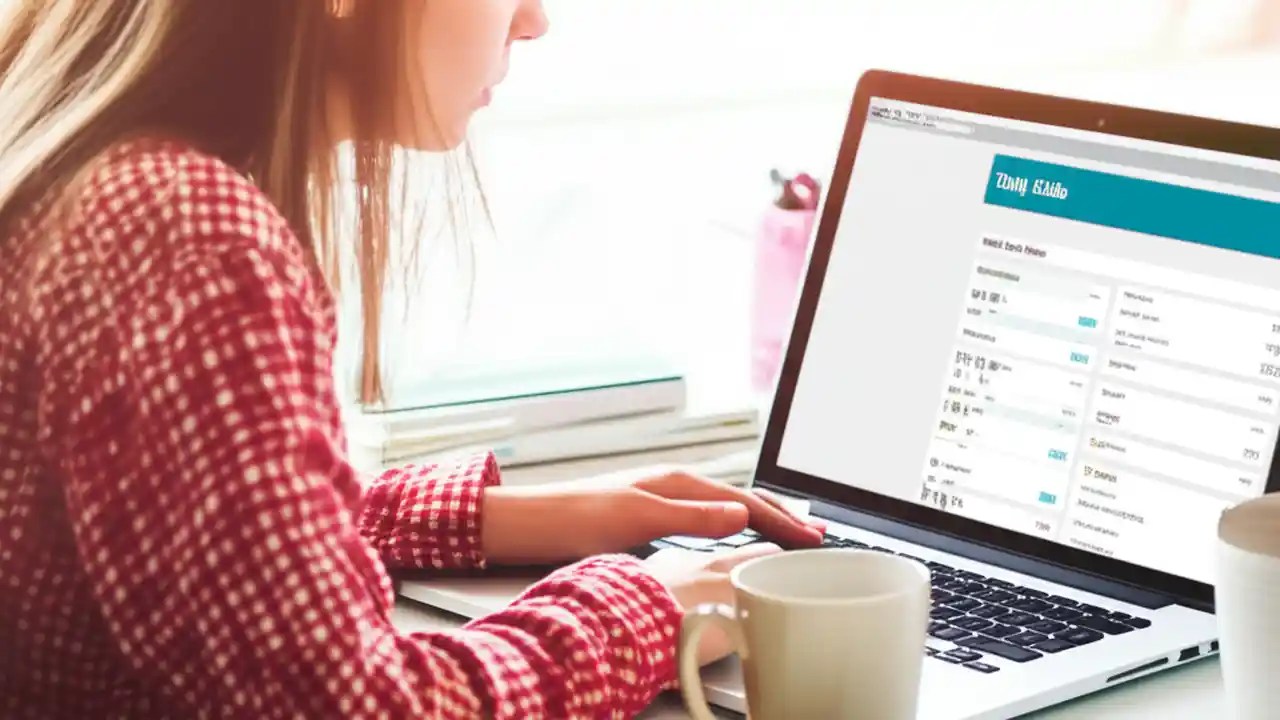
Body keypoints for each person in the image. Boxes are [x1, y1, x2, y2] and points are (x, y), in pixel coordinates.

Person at [0, 1, 827, 718]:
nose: (535, 21)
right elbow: (353, 707)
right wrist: (649, 605)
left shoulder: (90, 173)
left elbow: (197, 531)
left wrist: (517, 518)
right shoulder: (183, 233)